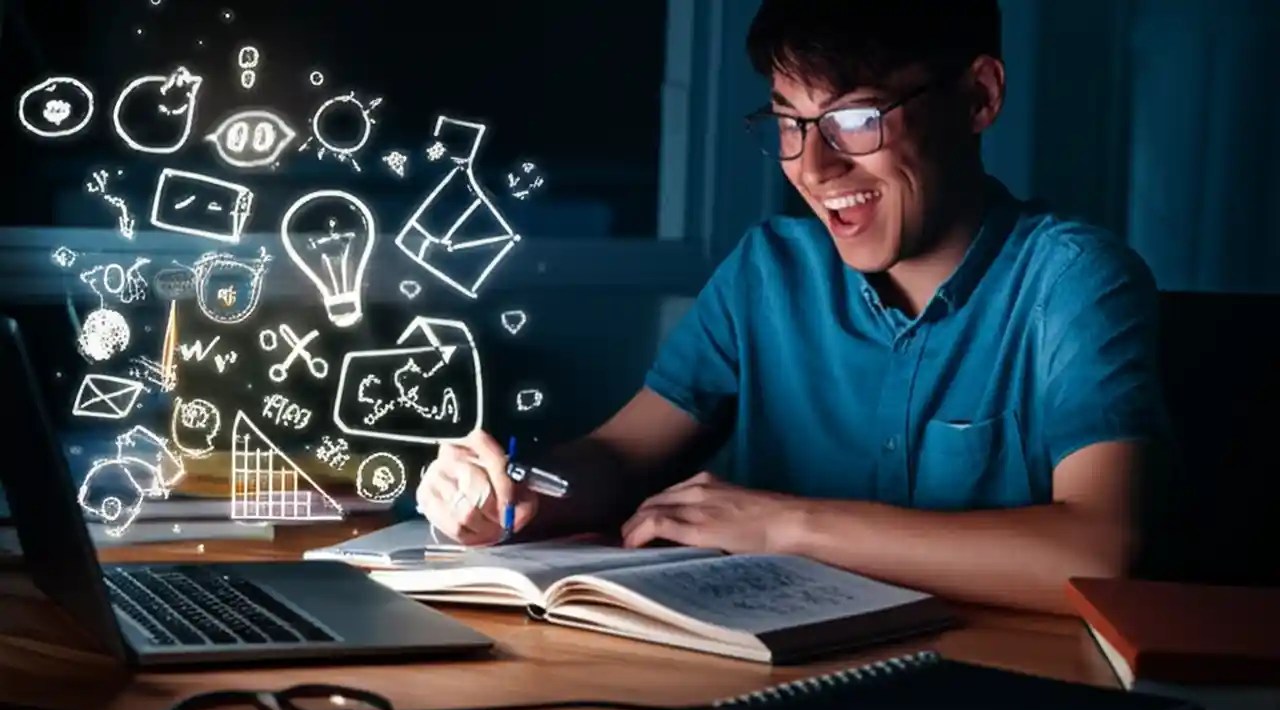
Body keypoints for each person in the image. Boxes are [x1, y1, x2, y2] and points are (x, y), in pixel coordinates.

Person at [416, 0, 1169, 615]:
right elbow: (619, 457)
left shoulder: (1073, 282)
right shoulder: (768, 272)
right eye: (790, 122)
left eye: (856, 118)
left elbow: (1096, 552)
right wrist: (515, 491)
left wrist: (784, 523)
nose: (812, 166)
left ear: (979, 97)